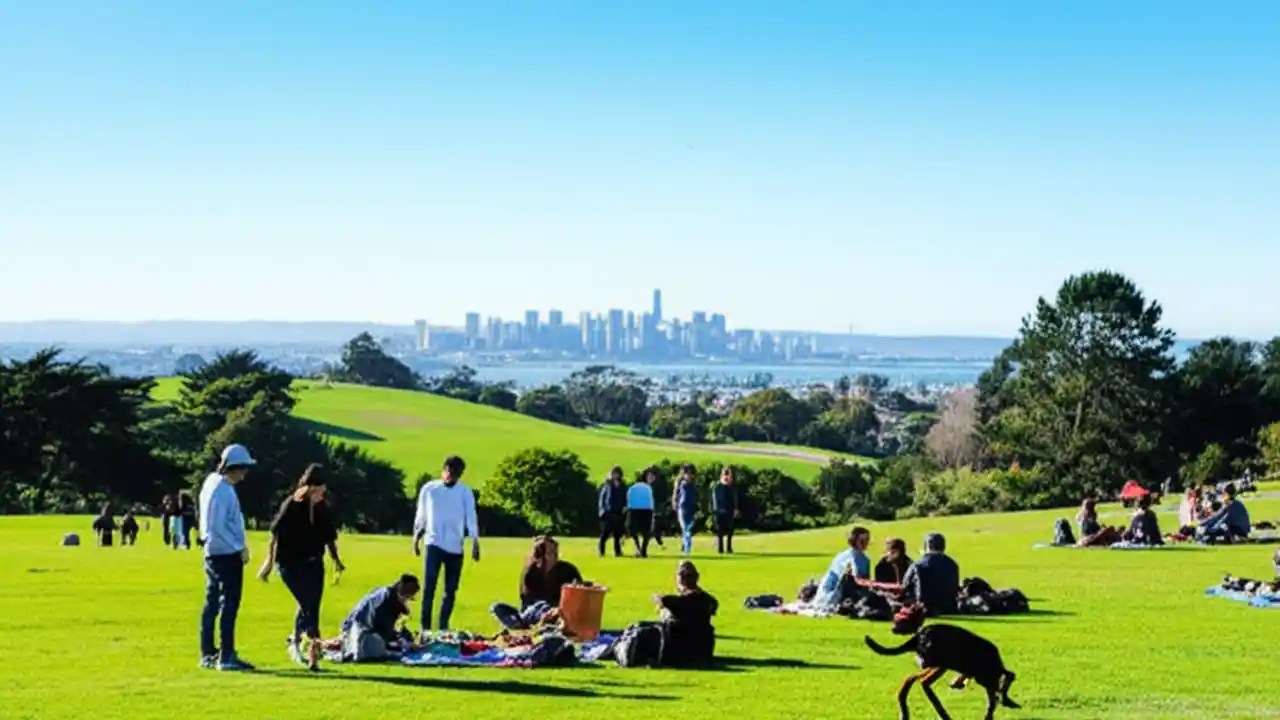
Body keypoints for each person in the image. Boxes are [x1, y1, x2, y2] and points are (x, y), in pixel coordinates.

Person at [257, 463, 345, 671]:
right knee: (307, 605)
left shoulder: (322, 508)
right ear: (312, 486)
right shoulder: (292, 505)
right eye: (321, 489)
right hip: (290, 564)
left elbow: (328, 537)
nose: (324, 493)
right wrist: (268, 563)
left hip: (315, 563)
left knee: (311, 606)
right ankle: (311, 650)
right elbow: (275, 535)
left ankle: (298, 643)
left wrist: (336, 560)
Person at [198, 443, 256, 671]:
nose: (244, 474)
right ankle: (226, 654)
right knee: (228, 603)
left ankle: (209, 652)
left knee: (212, 602)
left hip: (213, 552)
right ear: (233, 467)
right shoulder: (221, 489)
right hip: (225, 554)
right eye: (243, 469)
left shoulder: (212, 483)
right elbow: (217, 525)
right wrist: (238, 547)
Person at [412, 455, 480, 634]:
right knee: (429, 587)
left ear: (460, 475)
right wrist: (416, 538)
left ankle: (443, 626)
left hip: (455, 547)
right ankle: (425, 627)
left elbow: (471, 517)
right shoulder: (429, 489)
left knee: (450, 590)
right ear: (443, 470)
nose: (450, 475)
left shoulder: (465, 492)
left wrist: (474, 541)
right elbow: (422, 515)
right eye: (448, 471)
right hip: (433, 543)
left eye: (454, 473)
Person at [492, 535, 587, 630]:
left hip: (559, 611)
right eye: (550, 552)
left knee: (549, 609)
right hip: (534, 610)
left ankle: (544, 623)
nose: (555, 555)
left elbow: (579, 595)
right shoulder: (530, 573)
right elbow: (528, 601)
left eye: (556, 551)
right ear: (540, 555)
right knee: (497, 607)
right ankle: (525, 623)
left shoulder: (568, 569)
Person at [654, 560, 719, 666]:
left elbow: (659, 599)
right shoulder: (710, 600)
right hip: (702, 650)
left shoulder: (672, 601)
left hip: (678, 651)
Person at [341, 574, 420, 660]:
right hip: (362, 636)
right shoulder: (388, 601)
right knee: (394, 654)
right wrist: (402, 643)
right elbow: (382, 630)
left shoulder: (383, 591)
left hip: (352, 630)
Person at [901, 532, 960, 616]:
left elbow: (905, 587)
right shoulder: (952, 564)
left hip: (925, 608)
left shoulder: (917, 565)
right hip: (949, 608)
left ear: (926, 546)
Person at [812, 526, 872, 607]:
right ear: (855, 541)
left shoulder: (866, 559)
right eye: (862, 541)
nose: (866, 543)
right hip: (841, 590)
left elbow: (866, 579)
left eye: (867, 540)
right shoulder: (843, 556)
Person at [597, 466, 627, 558]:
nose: (615, 475)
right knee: (605, 533)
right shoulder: (607, 485)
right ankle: (601, 551)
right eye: (614, 473)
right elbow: (602, 499)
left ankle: (617, 552)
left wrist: (625, 507)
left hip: (619, 512)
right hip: (608, 512)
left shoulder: (623, 485)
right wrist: (602, 510)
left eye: (617, 473)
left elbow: (625, 497)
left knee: (617, 534)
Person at [626, 469, 656, 557]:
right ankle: (642, 549)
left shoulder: (634, 487)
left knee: (633, 530)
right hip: (645, 509)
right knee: (646, 532)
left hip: (635, 509)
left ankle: (639, 548)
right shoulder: (648, 488)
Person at [673, 464, 699, 555]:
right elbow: (676, 496)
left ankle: (686, 547)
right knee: (685, 529)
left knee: (688, 529)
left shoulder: (693, 485)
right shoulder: (680, 484)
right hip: (682, 508)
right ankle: (687, 548)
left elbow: (696, 498)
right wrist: (676, 505)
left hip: (691, 509)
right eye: (686, 473)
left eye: (690, 473)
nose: (688, 475)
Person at [711, 467, 737, 555]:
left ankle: (729, 548)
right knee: (720, 533)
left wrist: (735, 510)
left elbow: (734, 500)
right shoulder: (717, 488)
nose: (727, 478)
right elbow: (715, 500)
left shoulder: (731, 489)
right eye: (725, 475)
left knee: (730, 532)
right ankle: (720, 549)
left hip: (729, 512)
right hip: (719, 512)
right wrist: (716, 510)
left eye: (729, 476)